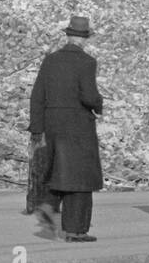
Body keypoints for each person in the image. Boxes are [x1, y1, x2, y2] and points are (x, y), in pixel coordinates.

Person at [29, 14, 104, 242]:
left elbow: (37, 95)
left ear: (68, 35)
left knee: (58, 175)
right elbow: (89, 96)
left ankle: (49, 217)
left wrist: (37, 129)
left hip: (52, 125)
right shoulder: (87, 62)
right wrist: (99, 105)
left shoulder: (50, 60)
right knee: (81, 181)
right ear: (84, 38)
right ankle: (76, 230)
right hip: (77, 127)